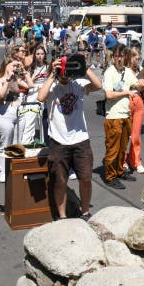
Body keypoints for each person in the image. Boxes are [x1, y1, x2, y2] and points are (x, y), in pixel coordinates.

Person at [37, 54, 103, 220]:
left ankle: (85, 212)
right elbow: (40, 97)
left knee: (86, 178)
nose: (66, 74)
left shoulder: (78, 84)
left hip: (80, 139)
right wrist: (53, 73)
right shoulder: (52, 87)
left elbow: (98, 85)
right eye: (63, 70)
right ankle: (62, 216)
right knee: (60, 181)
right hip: (58, 142)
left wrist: (83, 66)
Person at [102, 46, 142, 189]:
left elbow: (136, 84)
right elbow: (109, 94)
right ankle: (110, 176)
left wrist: (142, 83)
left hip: (126, 115)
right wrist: (126, 92)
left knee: (122, 148)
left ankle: (119, 171)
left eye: (121, 56)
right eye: (117, 56)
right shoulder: (109, 72)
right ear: (113, 57)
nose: (119, 59)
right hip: (113, 116)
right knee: (113, 148)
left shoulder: (127, 71)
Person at [0, 58, 34, 183]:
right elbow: (0, 95)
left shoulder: (16, 79)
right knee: (5, 144)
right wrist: (7, 79)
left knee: (18, 142)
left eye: (15, 66)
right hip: (5, 113)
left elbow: (30, 85)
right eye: (12, 66)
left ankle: (15, 168)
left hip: (19, 111)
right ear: (6, 66)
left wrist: (23, 70)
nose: (14, 68)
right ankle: (2, 172)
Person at [125, 47, 144, 174]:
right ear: (129, 57)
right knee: (124, 134)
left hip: (138, 101)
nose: (137, 60)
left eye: (138, 58)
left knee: (136, 134)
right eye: (135, 57)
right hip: (127, 100)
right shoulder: (124, 70)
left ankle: (136, 160)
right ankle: (123, 161)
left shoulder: (140, 70)